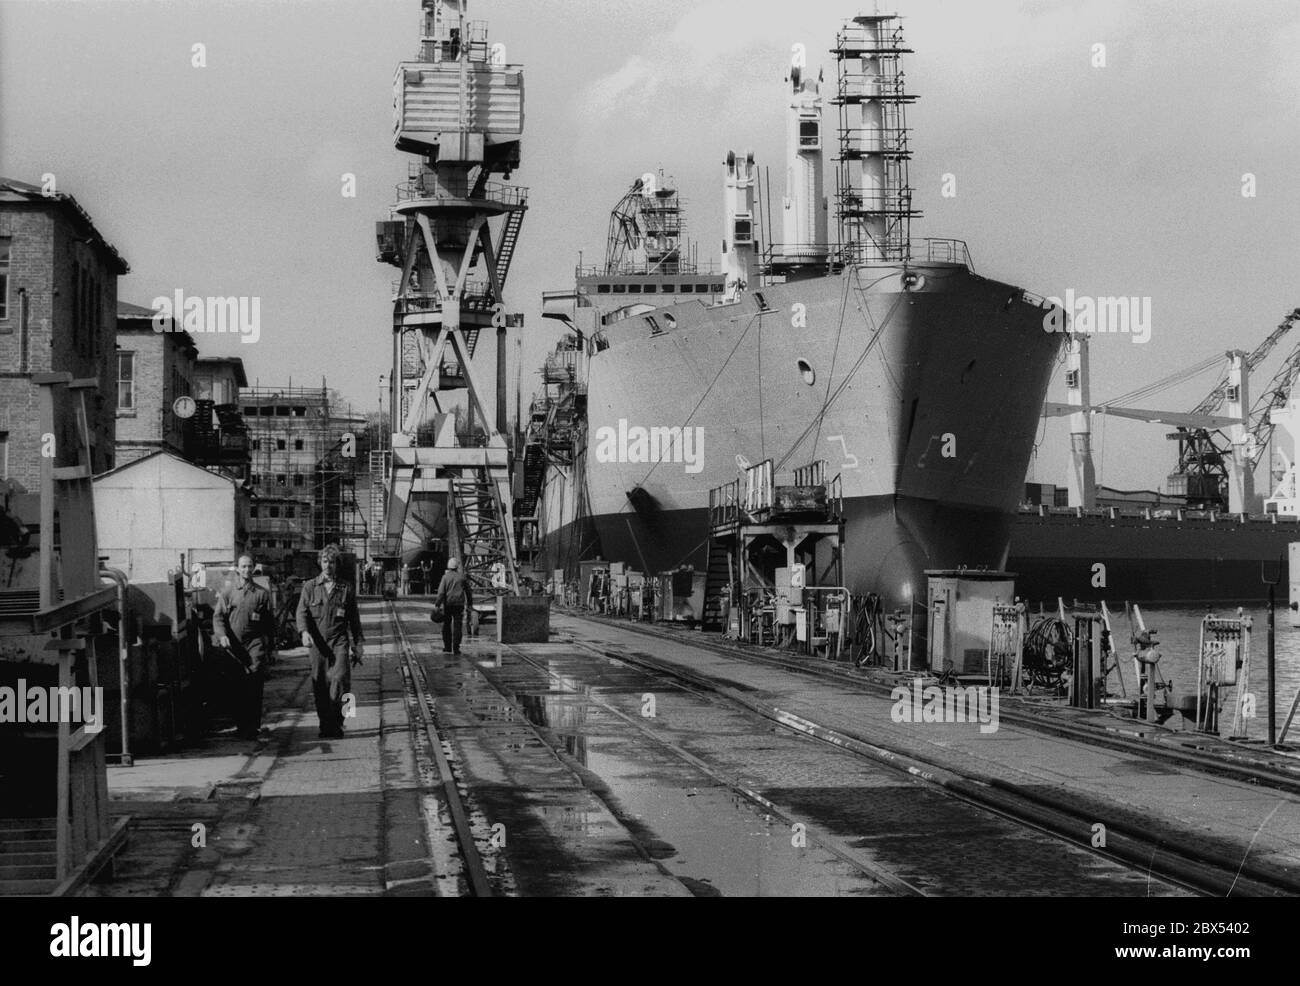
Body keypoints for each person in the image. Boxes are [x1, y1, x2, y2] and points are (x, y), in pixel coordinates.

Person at [297, 544, 365, 739]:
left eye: (332, 562)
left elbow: (354, 618)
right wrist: (303, 632)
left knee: (340, 680)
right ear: (320, 563)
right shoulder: (310, 587)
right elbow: (301, 612)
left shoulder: (345, 588)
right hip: (318, 644)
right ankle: (325, 724)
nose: (328, 565)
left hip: (339, 642)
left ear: (337, 564)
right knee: (320, 685)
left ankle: (339, 721)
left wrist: (358, 643)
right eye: (325, 561)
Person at [213, 554, 276, 740]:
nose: (247, 570)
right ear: (238, 569)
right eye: (243, 566)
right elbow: (218, 617)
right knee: (238, 687)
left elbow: (269, 624)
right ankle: (241, 726)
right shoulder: (229, 592)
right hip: (235, 647)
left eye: (250, 566)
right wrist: (222, 635)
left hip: (254, 645)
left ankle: (252, 726)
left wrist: (271, 648)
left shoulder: (262, 594)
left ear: (254, 568)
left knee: (255, 684)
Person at [434, 557, 472, 655]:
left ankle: (447, 647)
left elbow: (441, 592)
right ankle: (456, 648)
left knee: (446, 625)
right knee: (458, 626)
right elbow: (468, 592)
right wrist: (470, 604)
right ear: (457, 567)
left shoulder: (445, 577)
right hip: (459, 605)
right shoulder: (462, 577)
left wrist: (437, 604)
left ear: (449, 566)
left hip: (448, 604)